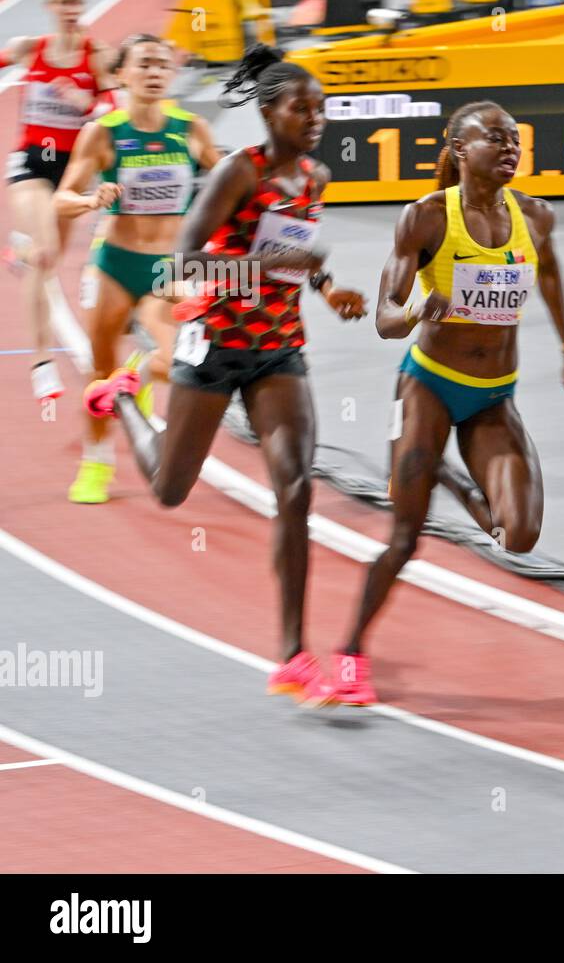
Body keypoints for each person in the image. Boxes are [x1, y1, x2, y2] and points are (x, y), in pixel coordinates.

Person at [82, 44, 367, 703]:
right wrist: (261, 271)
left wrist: (325, 286)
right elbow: (182, 264)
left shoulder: (316, 179)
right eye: (303, 107)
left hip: (279, 351)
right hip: (212, 343)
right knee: (170, 489)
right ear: (270, 111)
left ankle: (294, 654)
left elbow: (290, 250)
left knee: (295, 490)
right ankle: (125, 395)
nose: (316, 118)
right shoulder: (240, 171)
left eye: (322, 109)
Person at [334, 100, 564, 706]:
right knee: (405, 537)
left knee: (518, 534)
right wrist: (421, 307)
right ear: (458, 150)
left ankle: (446, 474)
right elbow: (385, 318)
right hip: (429, 386)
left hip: (494, 396)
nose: (510, 148)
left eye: (515, 139)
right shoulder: (425, 219)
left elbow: (547, 274)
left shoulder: (536, 216)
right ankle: (350, 653)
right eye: (494, 139)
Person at [56, 34, 222, 504]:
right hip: (114, 264)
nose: (154, 72)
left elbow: (232, 180)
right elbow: (62, 197)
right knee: (100, 369)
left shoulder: (190, 129)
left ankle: (140, 377)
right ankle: (96, 464)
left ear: (171, 75)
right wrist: (90, 198)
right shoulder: (103, 132)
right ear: (122, 74)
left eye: (162, 65)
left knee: (176, 361)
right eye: (144, 63)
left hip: (169, 270)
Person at [4, 0, 113, 401]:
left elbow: (114, 105)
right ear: (51, 6)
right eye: (64, 1)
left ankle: (23, 250)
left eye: (77, 1)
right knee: (47, 252)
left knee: (45, 259)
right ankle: (41, 362)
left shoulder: (97, 56)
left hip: (72, 173)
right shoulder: (29, 49)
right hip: (31, 163)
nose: (71, 9)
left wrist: (85, 103)